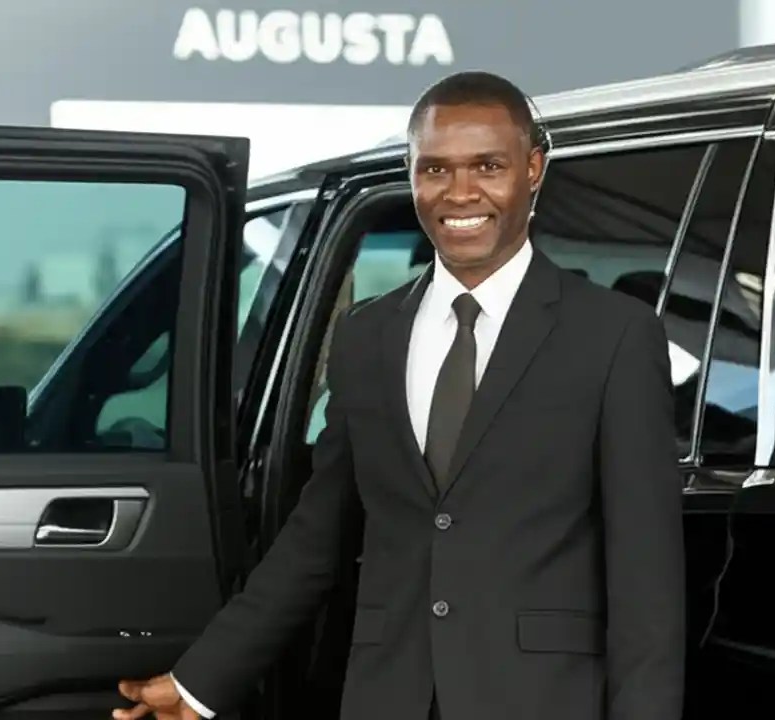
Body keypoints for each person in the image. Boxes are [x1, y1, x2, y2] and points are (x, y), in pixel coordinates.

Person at [113, 70, 685, 720]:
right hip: (389, 696)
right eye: (435, 169)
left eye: (487, 166)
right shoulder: (368, 337)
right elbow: (313, 540)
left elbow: (648, 585)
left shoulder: (613, 336)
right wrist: (201, 683)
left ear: (533, 169)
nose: (459, 192)